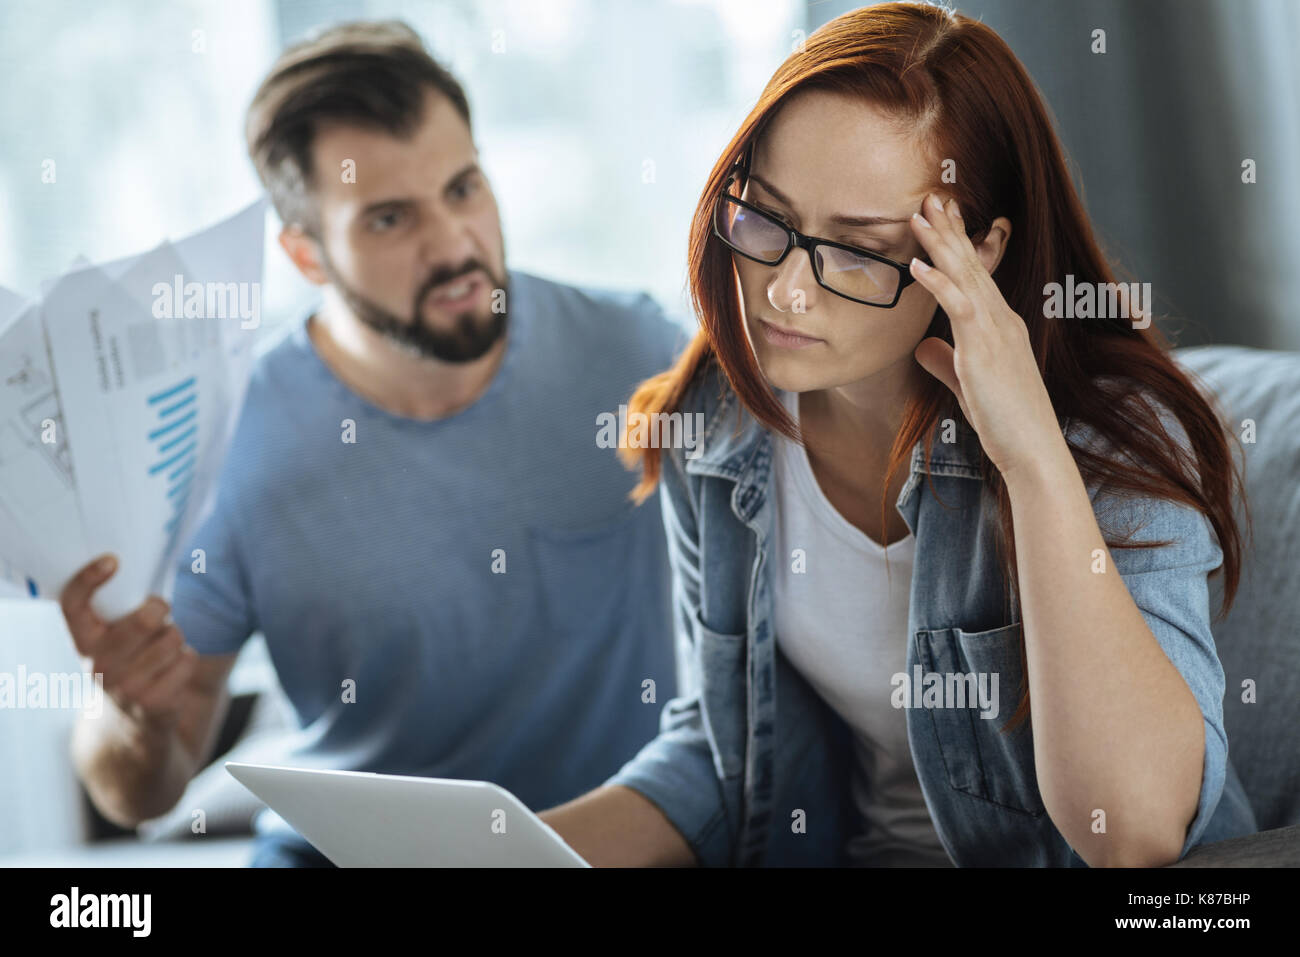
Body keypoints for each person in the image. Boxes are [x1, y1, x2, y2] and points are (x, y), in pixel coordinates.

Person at [538, 1, 1259, 867]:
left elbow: (1133, 831)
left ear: (980, 251)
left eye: (858, 250)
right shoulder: (720, 420)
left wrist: (1030, 458)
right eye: (765, 218)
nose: (785, 292)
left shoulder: (1112, 435)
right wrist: (500, 850)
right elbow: (726, 752)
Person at [58, 20, 684, 866]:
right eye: (390, 219)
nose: (455, 244)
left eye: (464, 188)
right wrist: (131, 714)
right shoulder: (227, 446)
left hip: (609, 844)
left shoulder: (638, 360)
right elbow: (143, 790)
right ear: (307, 254)